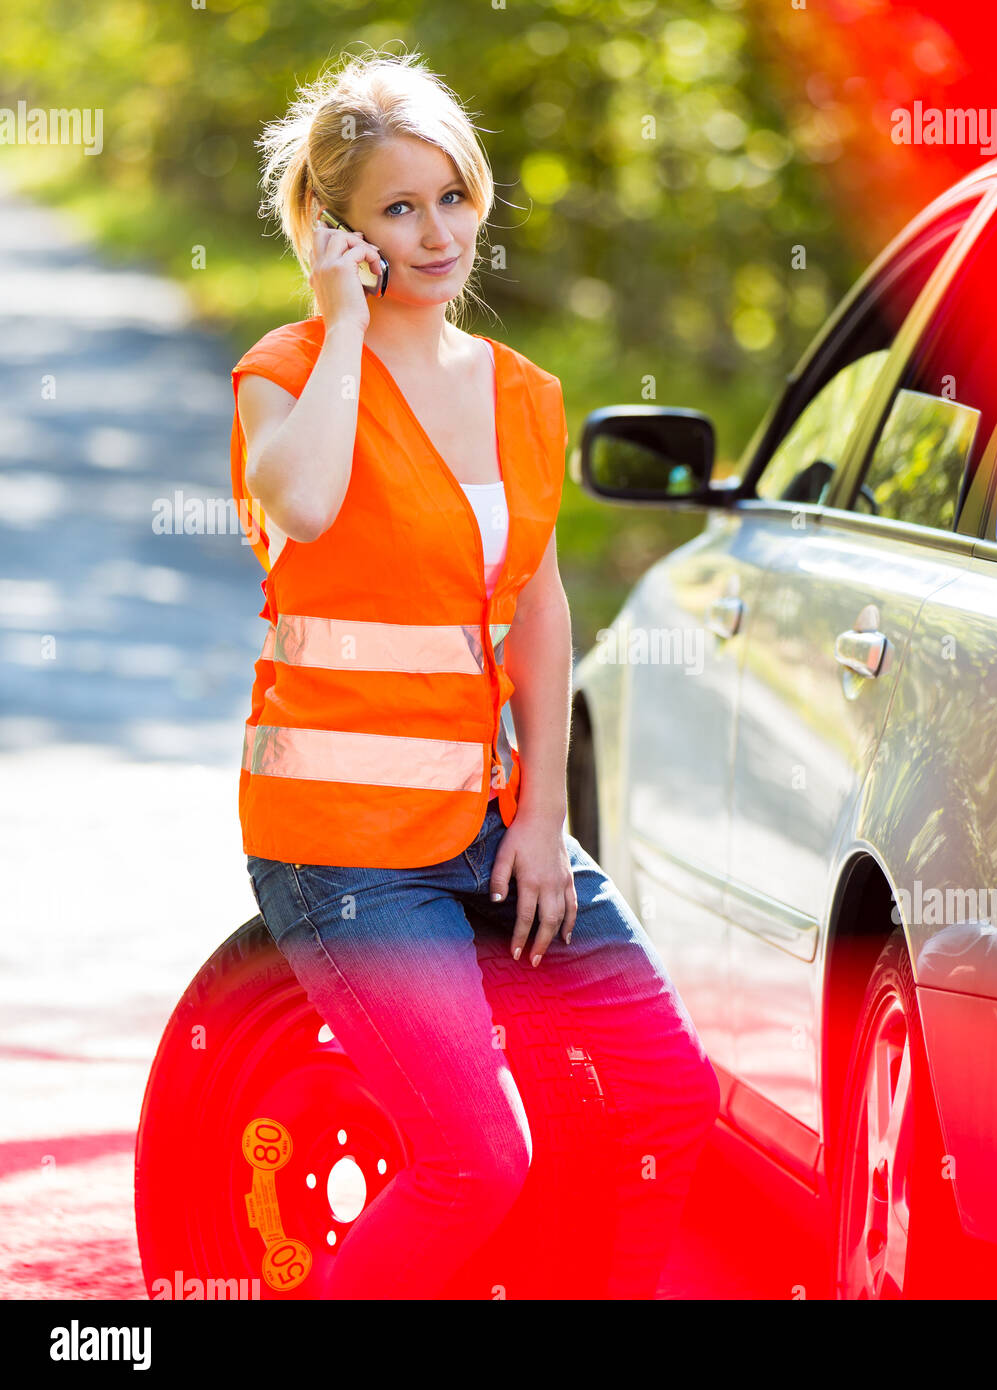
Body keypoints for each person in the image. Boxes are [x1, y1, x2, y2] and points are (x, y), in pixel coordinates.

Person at [232, 48, 720, 1300]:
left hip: (493, 823)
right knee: (469, 1160)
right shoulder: (286, 376)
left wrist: (548, 816)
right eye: (398, 208)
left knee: (666, 1097)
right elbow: (305, 495)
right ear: (339, 232)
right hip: (342, 849)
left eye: (451, 195)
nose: (437, 230)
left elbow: (540, 606)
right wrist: (343, 324)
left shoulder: (523, 395)